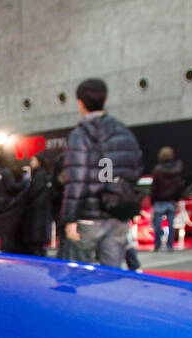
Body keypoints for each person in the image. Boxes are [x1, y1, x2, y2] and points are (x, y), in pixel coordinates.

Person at [60, 77, 143, 267]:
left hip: (87, 216)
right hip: (117, 214)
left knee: (80, 276)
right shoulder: (124, 133)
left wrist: (70, 218)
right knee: (112, 276)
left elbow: (76, 179)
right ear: (105, 100)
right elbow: (135, 170)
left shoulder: (80, 135)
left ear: (80, 103)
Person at [13, 152, 54, 256]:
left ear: (39, 162)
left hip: (37, 216)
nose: (31, 162)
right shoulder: (41, 175)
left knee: (37, 248)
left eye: (33, 160)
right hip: (40, 217)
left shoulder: (40, 176)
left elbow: (32, 192)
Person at [149, 147, 184, 250]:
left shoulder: (158, 170)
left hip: (159, 200)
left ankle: (157, 245)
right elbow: (179, 186)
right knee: (171, 225)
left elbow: (154, 186)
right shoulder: (177, 170)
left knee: (158, 225)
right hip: (171, 200)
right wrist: (177, 198)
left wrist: (153, 199)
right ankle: (170, 245)